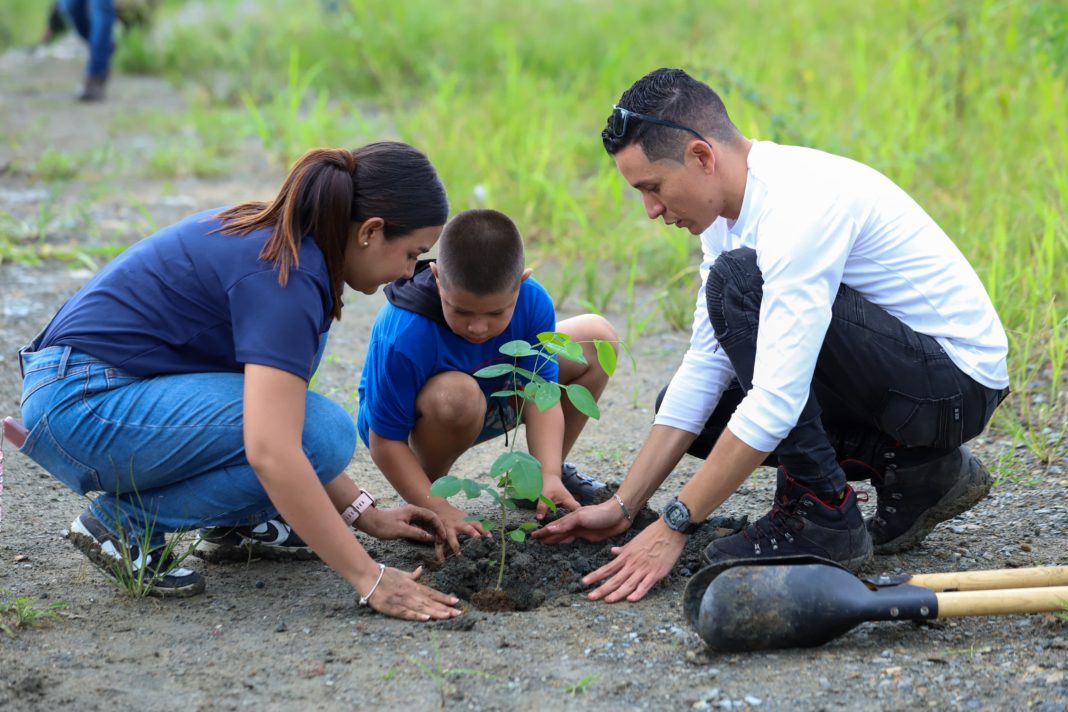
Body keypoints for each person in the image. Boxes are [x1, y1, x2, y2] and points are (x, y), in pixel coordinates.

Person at [534, 68, 1009, 604]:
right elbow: (707, 362)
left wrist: (675, 524)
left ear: (701, 157)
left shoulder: (797, 204)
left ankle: (823, 514)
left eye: (653, 188)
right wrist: (624, 506)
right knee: (703, 411)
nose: (651, 210)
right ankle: (921, 472)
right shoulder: (726, 217)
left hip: (952, 384)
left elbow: (778, 397)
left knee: (740, 285)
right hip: (898, 378)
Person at [16, 142, 463, 620]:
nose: (409, 272)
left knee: (311, 432)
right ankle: (123, 524)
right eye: (412, 254)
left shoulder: (292, 244)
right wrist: (369, 578)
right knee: (323, 433)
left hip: (89, 394)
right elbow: (276, 448)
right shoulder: (287, 274)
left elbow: (274, 415)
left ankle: (236, 523)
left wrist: (365, 515)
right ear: (371, 231)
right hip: (84, 403)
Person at [357, 208, 618, 552]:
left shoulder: (533, 299)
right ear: (437, 277)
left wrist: (550, 474)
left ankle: (535, 483)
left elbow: (542, 394)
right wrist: (440, 508)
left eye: (496, 312)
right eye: (460, 310)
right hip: (422, 424)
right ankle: (428, 498)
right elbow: (384, 442)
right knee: (457, 395)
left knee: (596, 338)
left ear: (521, 282)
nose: (478, 327)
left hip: (494, 394)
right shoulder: (405, 331)